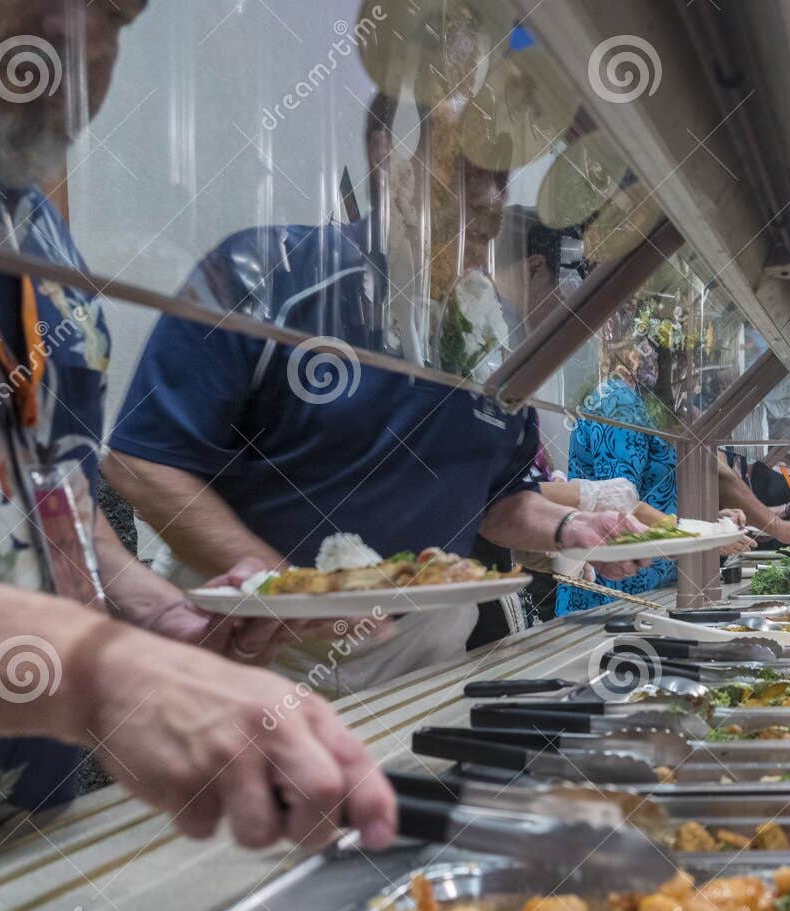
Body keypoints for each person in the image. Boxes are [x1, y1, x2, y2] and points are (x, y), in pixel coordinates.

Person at [0, 0, 395, 849]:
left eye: (117, 15)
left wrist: (148, 610)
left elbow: (52, 493)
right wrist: (105, 675)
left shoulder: (37, 229)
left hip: (21, 828)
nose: (76, 40)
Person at [105, 87, 649, 691]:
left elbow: (500, 499)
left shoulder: (497, 335)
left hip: (423, 657)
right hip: (251, 649)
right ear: (390, 160)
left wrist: (567, 530)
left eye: (502, 179)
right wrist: (285, 587)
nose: (493, 200)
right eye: (469, 170)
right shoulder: (268, 274)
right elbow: (140, 464)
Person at [558, 342, 678, 613]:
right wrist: (694, 537)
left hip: (641, 589)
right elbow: (618, 501)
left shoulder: (634, 404)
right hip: (613, 595)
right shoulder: (616, 401)